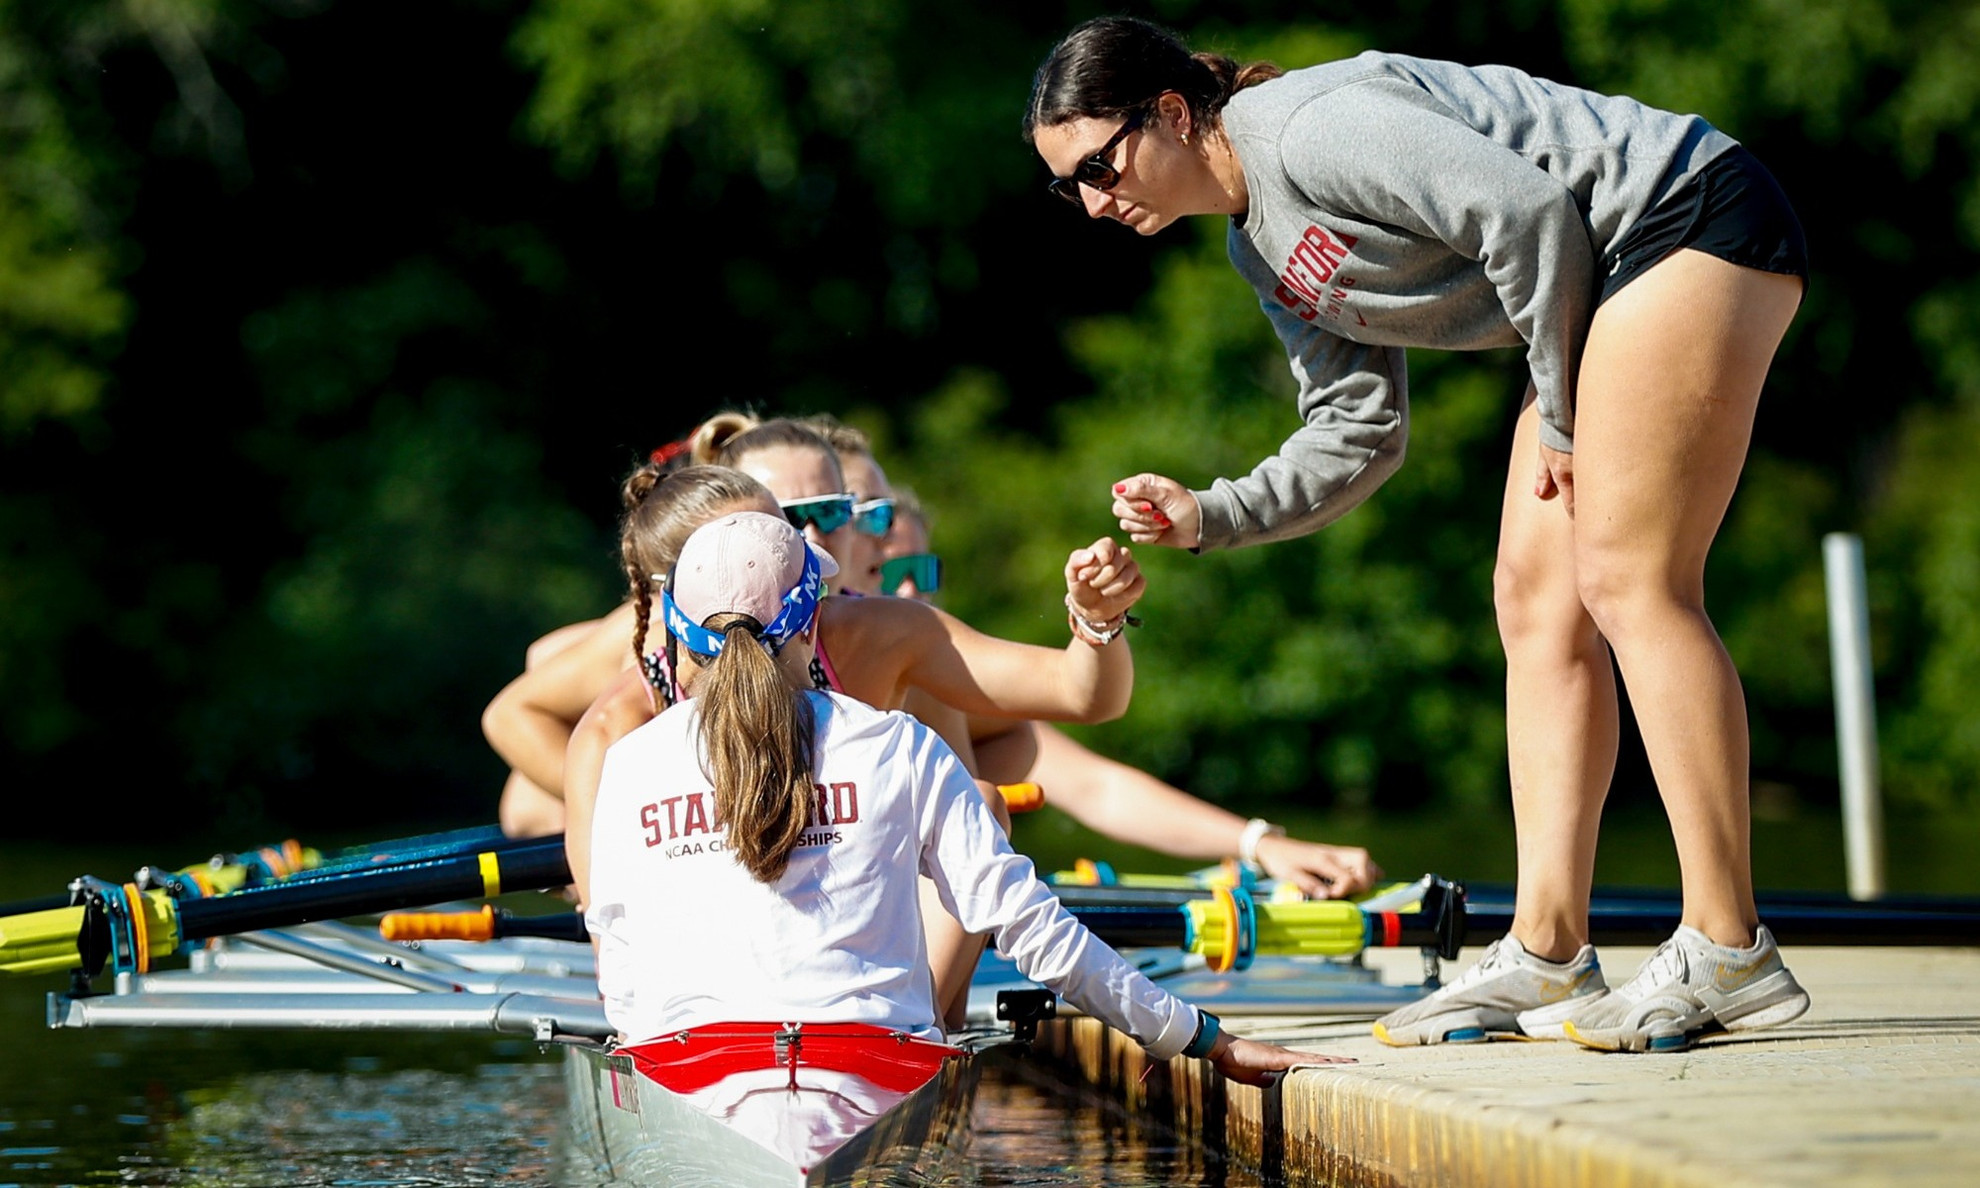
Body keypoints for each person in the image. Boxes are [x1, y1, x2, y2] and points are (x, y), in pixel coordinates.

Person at [1026, 16, 1811, 1053]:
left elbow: (1528, 214)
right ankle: (1546, 948)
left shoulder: (1304, 129)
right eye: (1067, 185)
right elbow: (1360, 431)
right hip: (1603, 276)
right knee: (1534, 603)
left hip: (1680, 215)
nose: (1091, 199)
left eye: (1098, 164)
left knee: (1628, 580)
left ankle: (1728, 943)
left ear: (1170, 112)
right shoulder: (1256, 248)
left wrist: (1566, 420)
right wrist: (1211, 514)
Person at [585, 510, 1338, 1087]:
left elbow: (618, 954)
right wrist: (1205, 1039)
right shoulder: (896, 746)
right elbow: (1034, 929)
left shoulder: (630, 766)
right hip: (880, 1066)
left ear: (679, 643)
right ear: (813, 627)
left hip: (685, 1068)